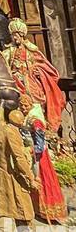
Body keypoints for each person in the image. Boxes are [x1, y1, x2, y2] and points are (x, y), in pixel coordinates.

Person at [5, 19, 66, 134]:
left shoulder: (32, 50)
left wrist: (36, 70)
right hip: (14, 78)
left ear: (22, 35)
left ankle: (40, 119)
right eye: (13, 36)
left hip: (30, 79)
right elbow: (5, 65)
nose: (15, 38)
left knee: (36, 94)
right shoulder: (9, 51)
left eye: (16, 35)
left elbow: (42, 65)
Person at [20, 93, 67, 223]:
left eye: (26, 105)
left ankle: (48, 210)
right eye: (21, 105)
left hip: (38, 156)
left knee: (40, 178)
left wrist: (29, 150)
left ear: (30, 105)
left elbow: (39, 145)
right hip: (30, 152)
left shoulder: (36, 122)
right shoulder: (26, 117)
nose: (23, 108)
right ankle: (36, 208)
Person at [0, 106, 37, 232]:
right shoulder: (12, 132)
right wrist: (31, 177)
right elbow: (18, 157)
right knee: (24, 209)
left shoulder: (3, 128)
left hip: (6, 171)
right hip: (13, 173)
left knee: (17, 209)